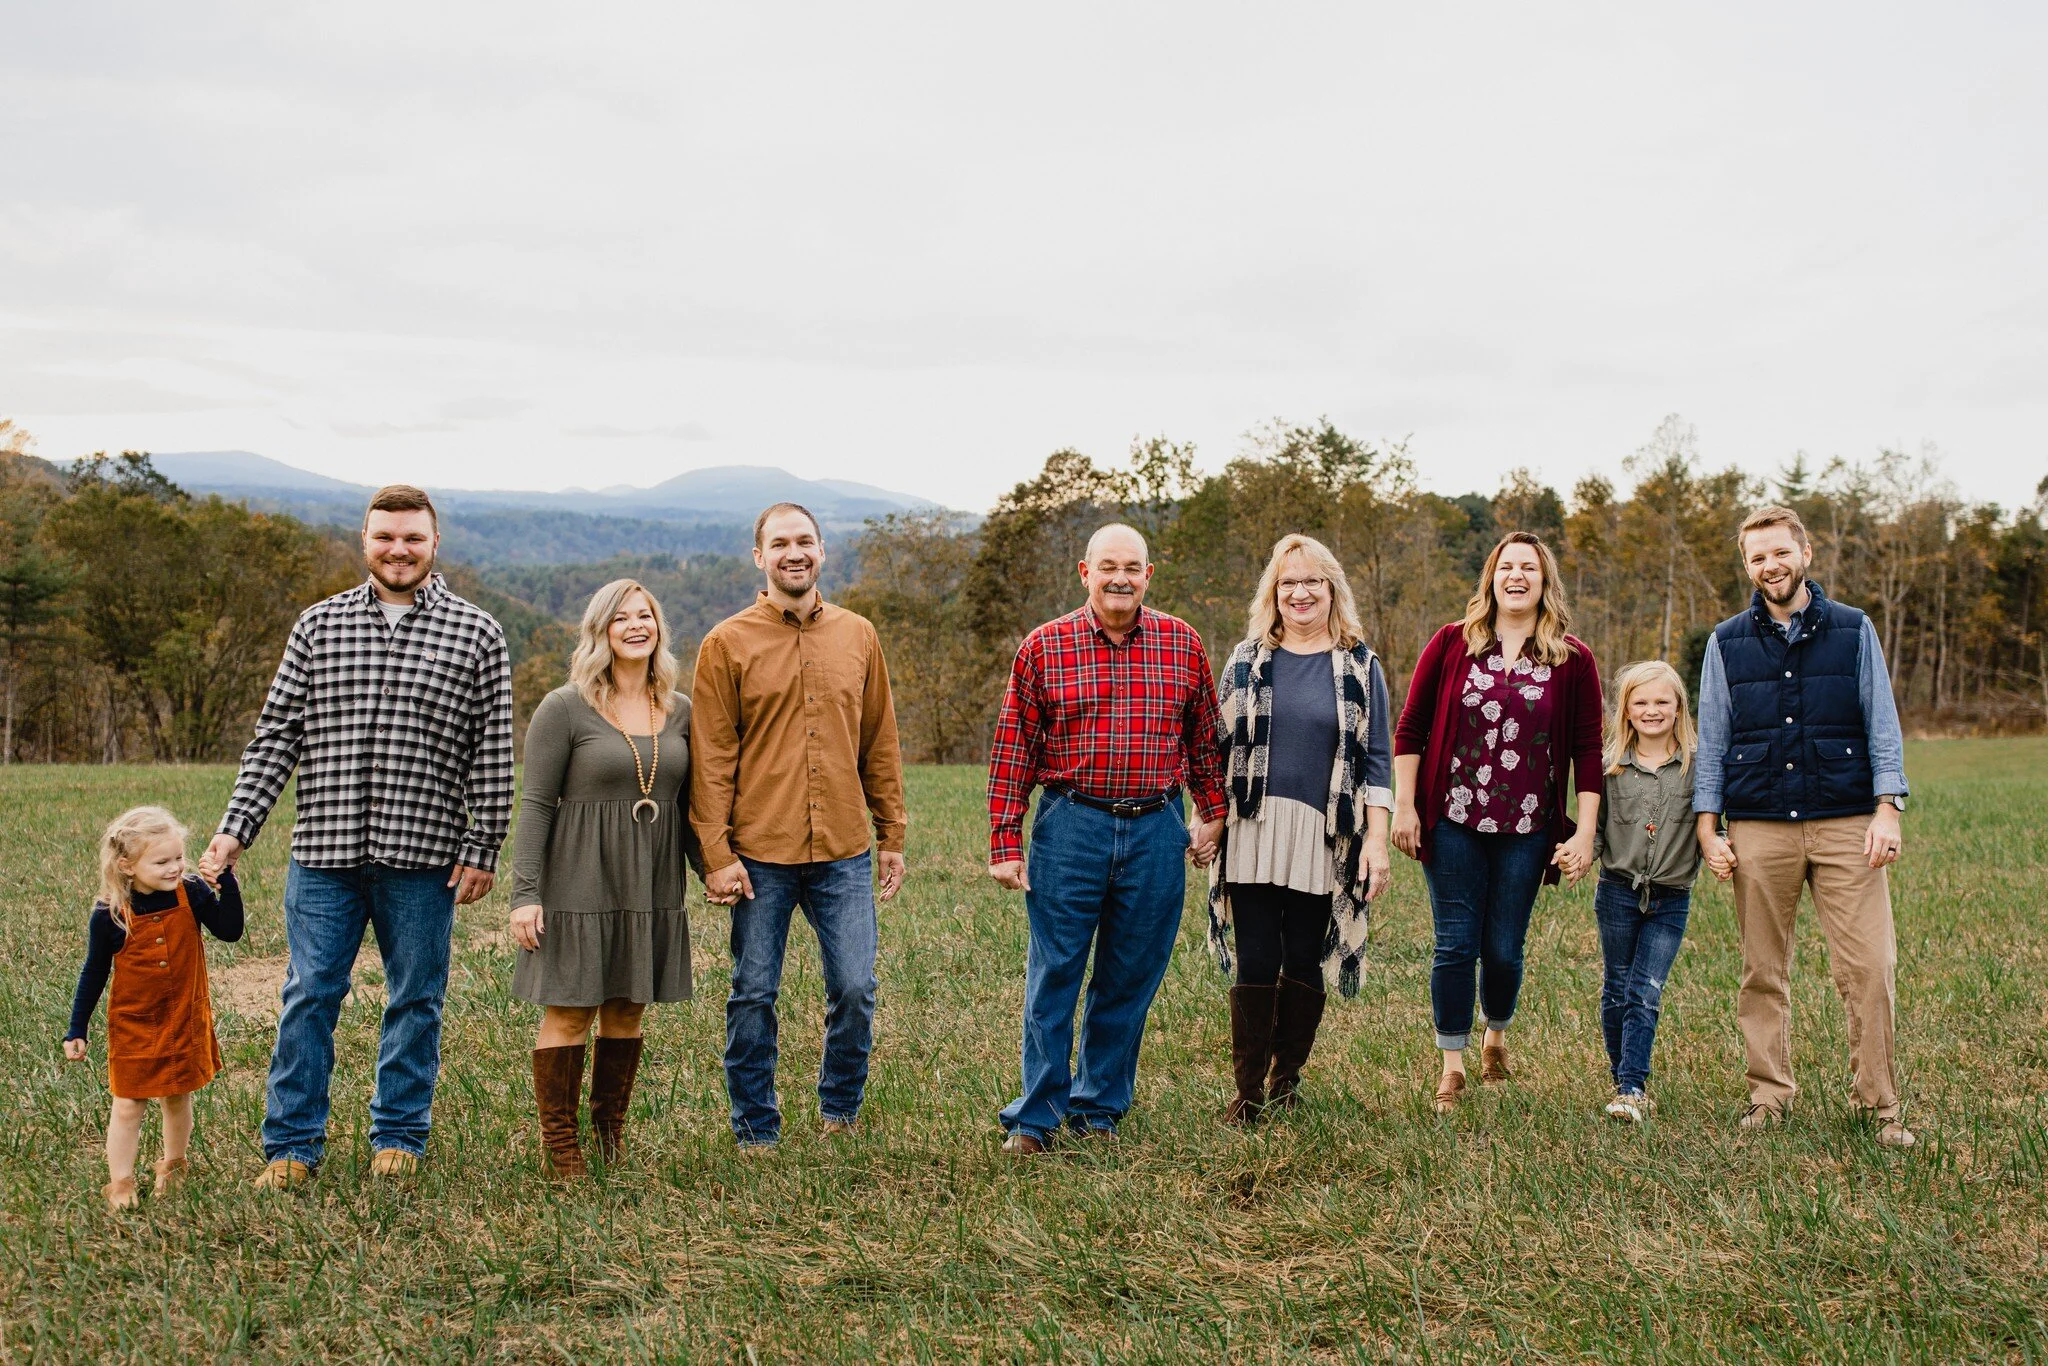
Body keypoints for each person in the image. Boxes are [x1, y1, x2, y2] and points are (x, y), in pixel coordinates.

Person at [201, 484, 513, 1189]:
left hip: (424, 857)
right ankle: (290, 1147)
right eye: (385, 537)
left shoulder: (477, 632)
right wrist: (234, 832)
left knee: (416, 998)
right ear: (364, 541)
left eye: (411, 538)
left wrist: (483, 844)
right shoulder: (319, 625)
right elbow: (275, 738)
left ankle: (398, 1135)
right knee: (309, 994)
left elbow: (492, 750)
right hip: (325, 857)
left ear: (434, 544)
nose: (397, 550)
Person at [986, 523, 1227, 1155]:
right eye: (1108, 566)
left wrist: (1213, 811)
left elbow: (1205, 742)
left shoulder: (1182, 644)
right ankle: (1036, 1116)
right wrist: (1005, 842)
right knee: (1055, 973)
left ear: (1149, 574)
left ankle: (1099, 1106)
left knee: (1128, 976)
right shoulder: (1044, 646)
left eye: (1133, 566)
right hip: (1072, 825)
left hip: (1155, 827)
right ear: (1084, 572)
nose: (1120, 577)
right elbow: (1014, 749)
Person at [1693, 505, 1915, 1148]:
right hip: (1760, 826)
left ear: (1805, 553)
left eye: (1779, 553)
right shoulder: (1726, 640)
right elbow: (1714, 739)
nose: (1770, 566)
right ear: (1747, 567)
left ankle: (1879, 1106)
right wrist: (1709, 827)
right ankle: (1769, 1095)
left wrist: (1887, 807)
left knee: (1870, 969)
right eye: (1757, 558)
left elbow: (1882, 724)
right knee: (1763, 970)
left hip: (1848, 823)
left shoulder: (1853, 630)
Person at [690, 503, 907, 1149]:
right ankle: (755, 1125)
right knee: (754, 991)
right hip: (760, 851)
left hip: (843, 849)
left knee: (856, 987)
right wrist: (715, 852)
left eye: (805, 541)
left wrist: (891, 832)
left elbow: (880, 740)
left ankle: (840, 1109)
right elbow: (712, 756)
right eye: (780, 543)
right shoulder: (726, 643)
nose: (794, 552)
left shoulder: (859, 636)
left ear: (822, 551)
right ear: (759, 557)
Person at [1392, 531, 1604, 1114]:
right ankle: (1452, 1063)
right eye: (1506, 566)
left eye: (1528, 568)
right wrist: (1405, 805)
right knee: (1455, 944)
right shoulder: (1452, 643)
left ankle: (1496, 1034)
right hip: (1453, 816)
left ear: (1544, 581)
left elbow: (1588, 750)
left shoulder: (1572, 658)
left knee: (1504, 949)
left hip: (1530, 824)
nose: (1516, 576)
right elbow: (1410, 729)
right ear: (1490, 577)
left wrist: (1584, 831)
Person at [512, 579, 699, 1177]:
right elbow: (537, 803)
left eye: (646, 615)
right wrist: (525, 895)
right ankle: (560, 1147)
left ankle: (609, 1136)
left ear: (659, 629)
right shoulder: (564, 707)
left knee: (627, 1008)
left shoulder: (681, 709)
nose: (636, 626)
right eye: (622, 618)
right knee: (570, 1008)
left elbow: (691, 807)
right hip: (578, 877)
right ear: (601, 630)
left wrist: (714, 870)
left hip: (650, 880)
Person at [1209, 534, 1393, 1124]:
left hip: (1325, 833)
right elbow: (1216, 747)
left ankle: (1286, 1079)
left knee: (1303, 959)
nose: (1300, 592)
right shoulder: (1246, 660)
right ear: (1274, 592)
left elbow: (1379, 761)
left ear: (1331, 588)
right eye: (1288, 582)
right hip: (1253, 827)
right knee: (1256, 958)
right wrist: (1206, 819)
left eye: (1312, 580)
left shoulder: (1361, 667)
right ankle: (1248, 1093)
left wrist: (1378, 841)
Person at [65, 807, 245, 1210]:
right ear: (127, 866)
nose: (174, 868)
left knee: (177, 1095)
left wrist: (226, 883)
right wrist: (77, 1028)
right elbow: (94, 973)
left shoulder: (193, 892)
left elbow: (230, 931)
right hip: (135, 1023)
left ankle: (174, 1166)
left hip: (184, 1016)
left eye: (178, 858)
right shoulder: (109, 914)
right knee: (129, 1103)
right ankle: (121, 1182)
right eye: (161, 861)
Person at [1591, 660, 1702, 1124]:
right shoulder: (1609, 767)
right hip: (1616, 892)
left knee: (1646, 989)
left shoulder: (1698, 767)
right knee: (1617, 987)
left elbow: (1713, 826)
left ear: (1679, 708)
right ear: (1626, 710)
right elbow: (1596, 832)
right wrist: (1578, 854)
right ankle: (1623, 1082)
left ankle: (1633, 1086)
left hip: (1670, 898)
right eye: (1641, 702)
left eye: (1662, 701)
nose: (1652, 710)